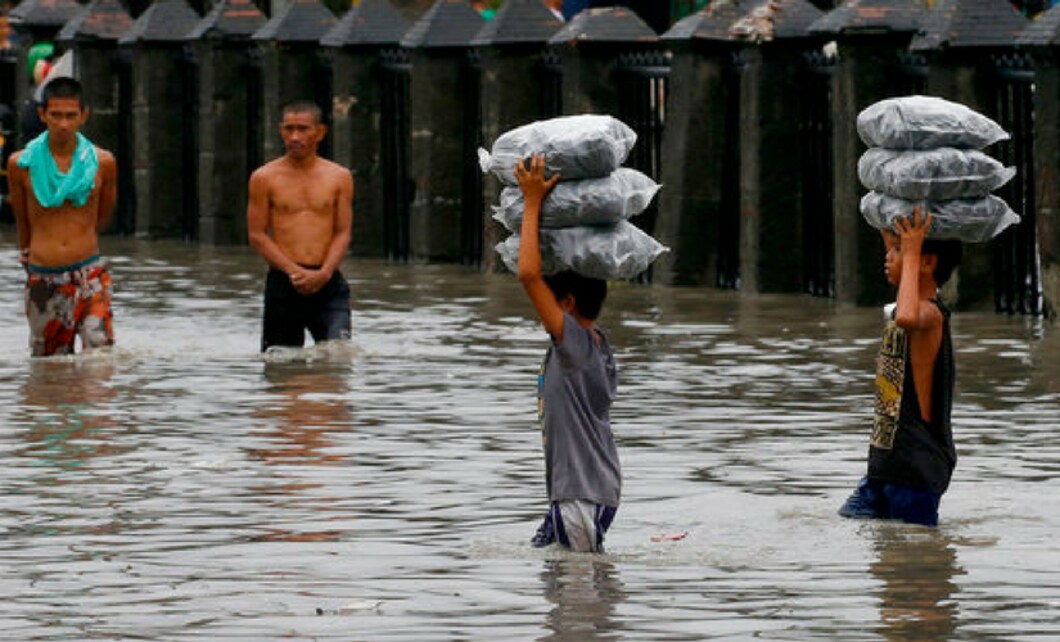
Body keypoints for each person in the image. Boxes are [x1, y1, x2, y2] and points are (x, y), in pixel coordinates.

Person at [516, 154, 621, 553]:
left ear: (569, 302)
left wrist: (531, 202)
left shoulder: (575, 343)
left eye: (549, 301)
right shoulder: (594, 343)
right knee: (555, 573)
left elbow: (528, 274)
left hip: (581, 496)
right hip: (584, 492)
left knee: (576, 609)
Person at [839, 208, 963, 527]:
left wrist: (909, 251)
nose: (889, 257)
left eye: (898, 251)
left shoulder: (930, 315)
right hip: (884, 467)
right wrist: (894, 225)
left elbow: (906, 317)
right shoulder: (905, 306)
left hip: (915, 469)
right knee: (854, 533)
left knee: (914, 563)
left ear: (926, 263)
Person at [7, 77, 118, 357]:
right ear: (43, 114)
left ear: (84, 116)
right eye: (56, 115)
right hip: (44, 276)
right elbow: (22, 219)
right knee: (50, 370)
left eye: (71, 116)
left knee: (100, 354)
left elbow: (102, 218)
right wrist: (28, 255)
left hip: (89, 273)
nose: (64, 124)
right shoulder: (21, 164)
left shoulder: (103, 162)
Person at [247, 100, 354, 352]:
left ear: (320, 132)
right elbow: (257, 234)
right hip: (285, 282)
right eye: (289, 128)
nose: (295, 136)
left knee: (337, 354)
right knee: (282, 364)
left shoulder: (339, 176)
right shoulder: (264, 177)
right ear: (280, 130)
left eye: (303, 129)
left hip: (327, 281)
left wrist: (325, 272)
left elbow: (342, 232)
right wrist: (294, 271)